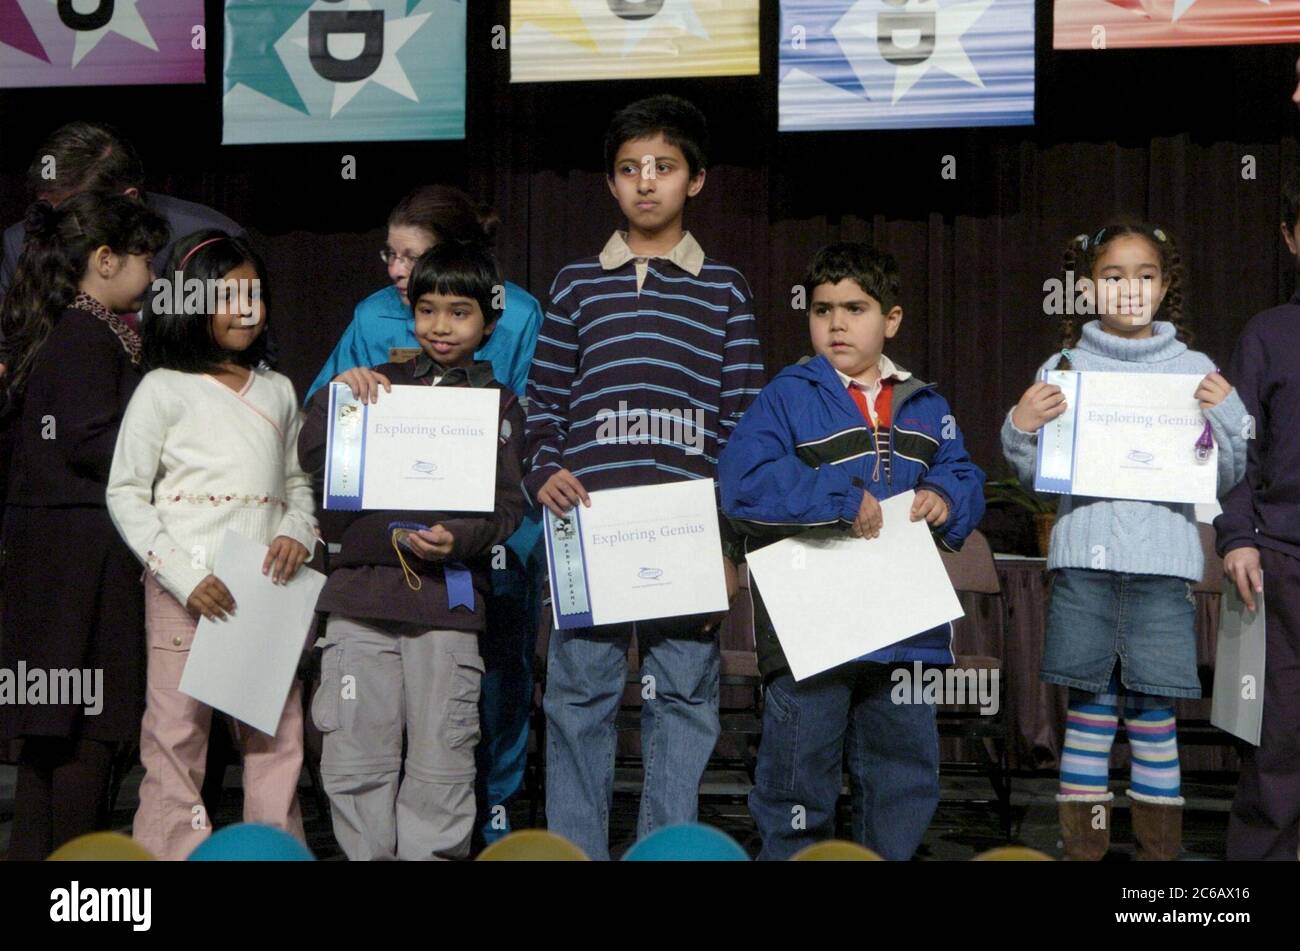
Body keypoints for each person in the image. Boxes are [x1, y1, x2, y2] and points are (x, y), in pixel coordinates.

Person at [524, 94, 765, 860]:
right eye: (629, 169)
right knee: (578, 701)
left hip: (686, 537)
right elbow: (543, 406)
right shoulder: (574, 284)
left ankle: (665, 852)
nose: (646, 182)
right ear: (611, 183)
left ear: (695, 180)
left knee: (684, 701)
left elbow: (743, 423)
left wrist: (729, 545)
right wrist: (544, 470)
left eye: (663, 167)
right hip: (589, 533)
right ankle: (577, 852)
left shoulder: (724, 289)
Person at [719, 242, 986, 859]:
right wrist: (838, 494)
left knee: (902, 776)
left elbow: (964, 472)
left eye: (855, 308)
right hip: (811, 632)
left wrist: (947, 495)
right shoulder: (787, 396)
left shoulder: (927, 404)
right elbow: (742, 483)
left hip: (904, 629)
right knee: (797, 775)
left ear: (891, 319)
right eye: (822, 310)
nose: (836, 323)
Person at [304, 185, 546, 846]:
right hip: (363, 589)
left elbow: (508, 494)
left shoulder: (503, 380)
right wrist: (339, 398)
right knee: (357, 750)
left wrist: (464, 538)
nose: (440, 324)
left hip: (458, 589)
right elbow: (318, 456)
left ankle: (488, 821)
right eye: (426, 307)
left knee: (451, 742)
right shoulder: (376, 359)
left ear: (484, 317)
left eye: (457, 311)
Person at [1001, 221, 1249, 860]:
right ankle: (1085, 852)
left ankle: (1156, 869)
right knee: (1087, 716)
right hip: (1085, 566)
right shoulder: (1064, 367)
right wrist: (1020, 427)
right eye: (1113, 277)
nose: (1129, 290)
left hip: (1162, 572)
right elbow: (1037, 472)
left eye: (1144, 277)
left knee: (1153, 720)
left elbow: (1222, 474)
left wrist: (1226, 416)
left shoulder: (1196, 371)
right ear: (1088, 287)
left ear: (1165, 287)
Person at [105, 231, 318, 860]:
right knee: (175, 741)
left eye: (254, 293)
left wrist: (295, 532)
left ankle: (271, 854)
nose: (246, 308)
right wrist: (181, 575)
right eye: (228, 295)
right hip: (187, 595)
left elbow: (298, 484)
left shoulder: (276, 389)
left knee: (276, 740)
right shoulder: (163, 389)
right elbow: (126, 494)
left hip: (263, 591)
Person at [0, 193, 168, 859]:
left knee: (63, 734)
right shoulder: (84, 334)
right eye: (144, 258)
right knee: (83, 733)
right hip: (77, 569)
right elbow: (88, 438)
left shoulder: (86, 332)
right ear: (104, 260)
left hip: (68, 561)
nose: (154, 275)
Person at [1214, 175, 1300, 860]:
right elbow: (1234, 449)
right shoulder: (1267, 333)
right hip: (1281, 563)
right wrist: (1239, 537)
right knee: (1277, 743)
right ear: (1291, 237)